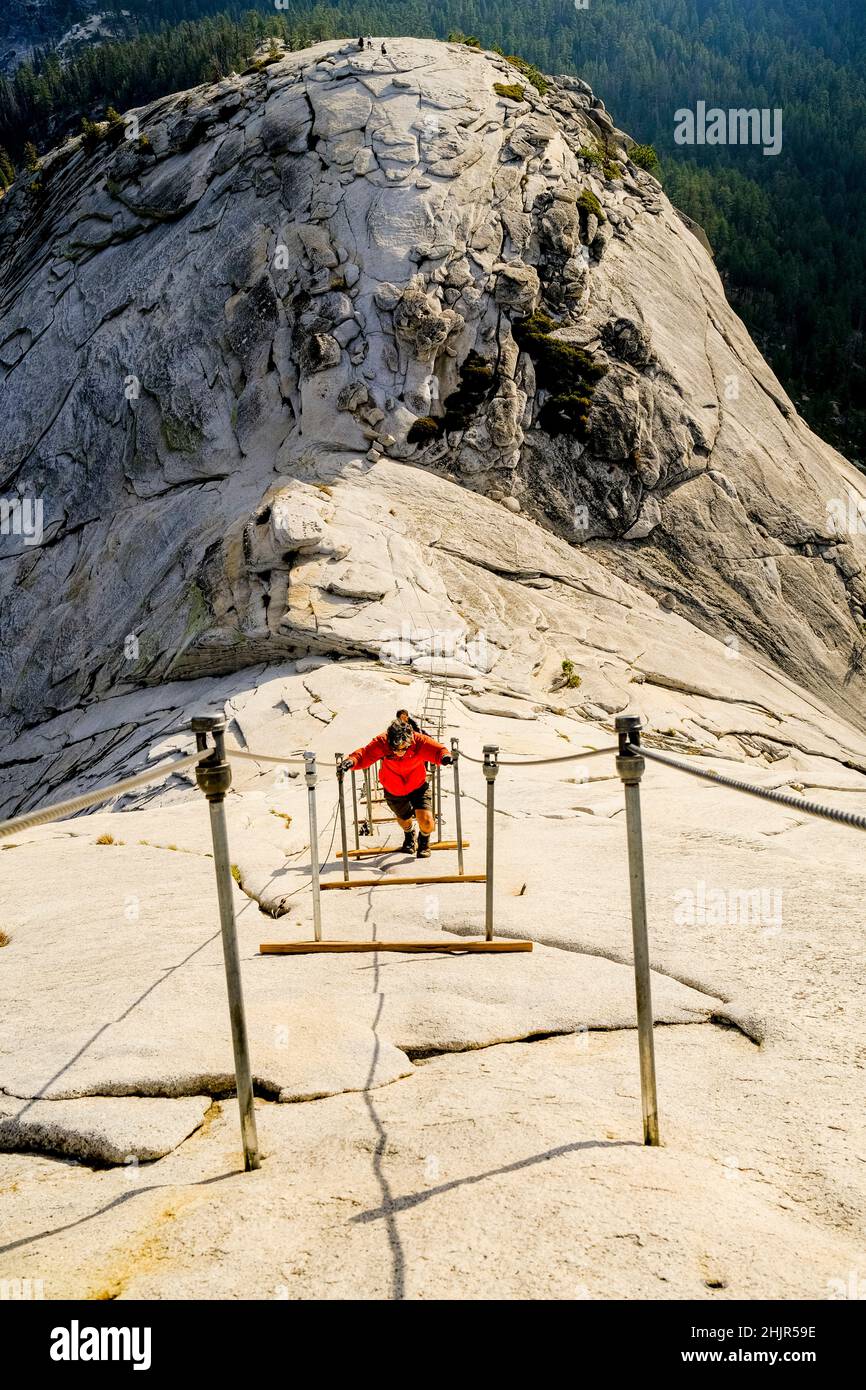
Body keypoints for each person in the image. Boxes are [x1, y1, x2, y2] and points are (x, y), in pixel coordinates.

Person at [342, 719, 451, 858]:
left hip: (417, 785)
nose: (400, 752)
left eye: (404, 748)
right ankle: (409, 834)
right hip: (393, 788)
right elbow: (364, 754)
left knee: (427, 822)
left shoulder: (418, 740)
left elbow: (437, 749)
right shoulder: (382, 741)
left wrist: (445, 757)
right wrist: (351, 761)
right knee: (404, 819)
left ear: (410, 741)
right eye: (395, 749)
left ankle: (423, 840)